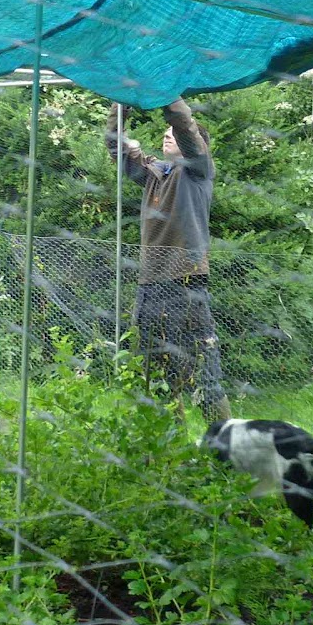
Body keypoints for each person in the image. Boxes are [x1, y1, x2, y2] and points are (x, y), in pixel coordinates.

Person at [105, 97, 231, 424]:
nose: (167, 136)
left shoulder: (198, 171)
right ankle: (168, 453)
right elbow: (115, 147)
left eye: (172, 133)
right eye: (164, 133)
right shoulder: (153, 175)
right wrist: (121, 104)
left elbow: (186, 128)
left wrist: (166, 92)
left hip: (187, 281)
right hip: (150, 285)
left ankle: (223, 446)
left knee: (204, 369)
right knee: (155, 374)